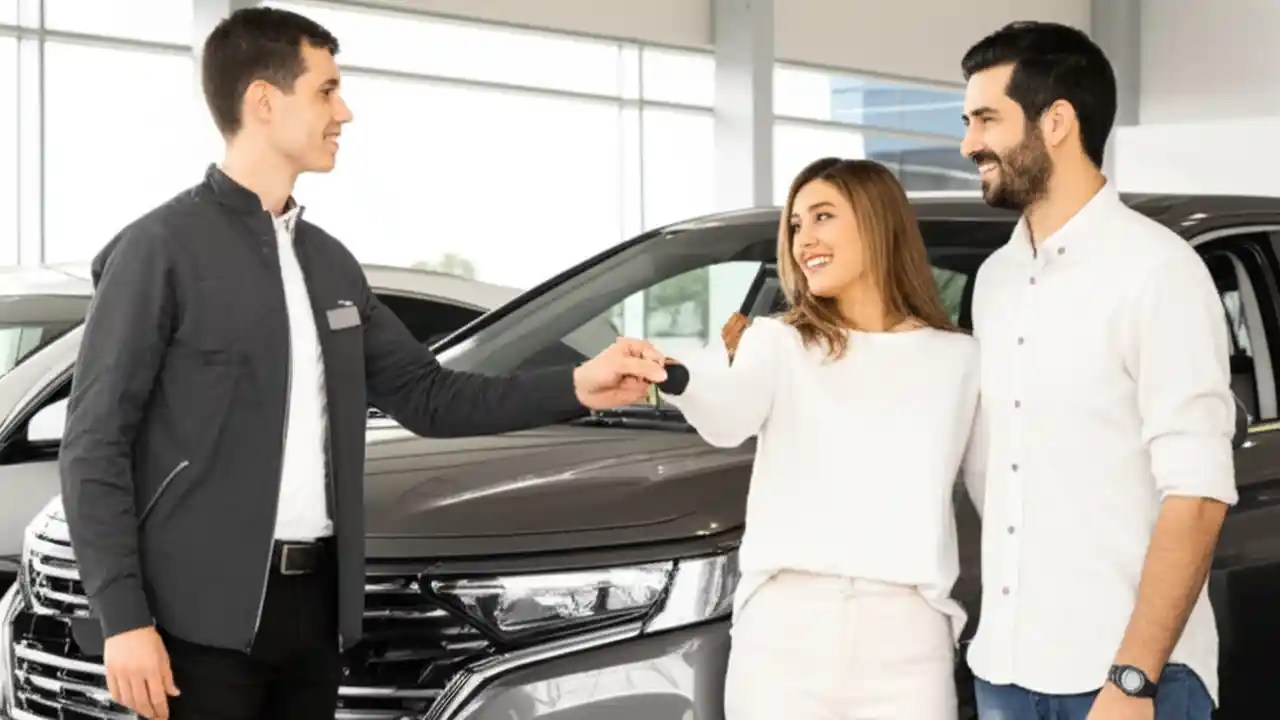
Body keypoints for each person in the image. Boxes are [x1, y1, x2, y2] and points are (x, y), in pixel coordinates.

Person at [57, 7, 667, 720]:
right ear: (263, 100)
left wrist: (575, 385)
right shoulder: (158, 251)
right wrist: (124, 618)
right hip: (193, 624)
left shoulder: (329, 264)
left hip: (314, 622)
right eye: (325, 90)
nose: (343, 111)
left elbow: (428, 395)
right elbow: (93, 444)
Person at [958, 21, 1236, 720]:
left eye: (987, 119)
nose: (968, 145)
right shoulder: (993, 281)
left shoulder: (1160, 272)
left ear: (1056, 122)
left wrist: (1133, 679)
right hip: (1005, 673)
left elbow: (1198, 495)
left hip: (1132, 681)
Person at [658, 157, 980, 719]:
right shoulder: (776, 342)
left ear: (877, 223)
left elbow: (998, 489)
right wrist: (675, 376)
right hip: (785, 638)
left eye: (823, 216)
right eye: (797, 224)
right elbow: (728, 416)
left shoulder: (959, 359)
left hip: (909, 639)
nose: (805, 239)